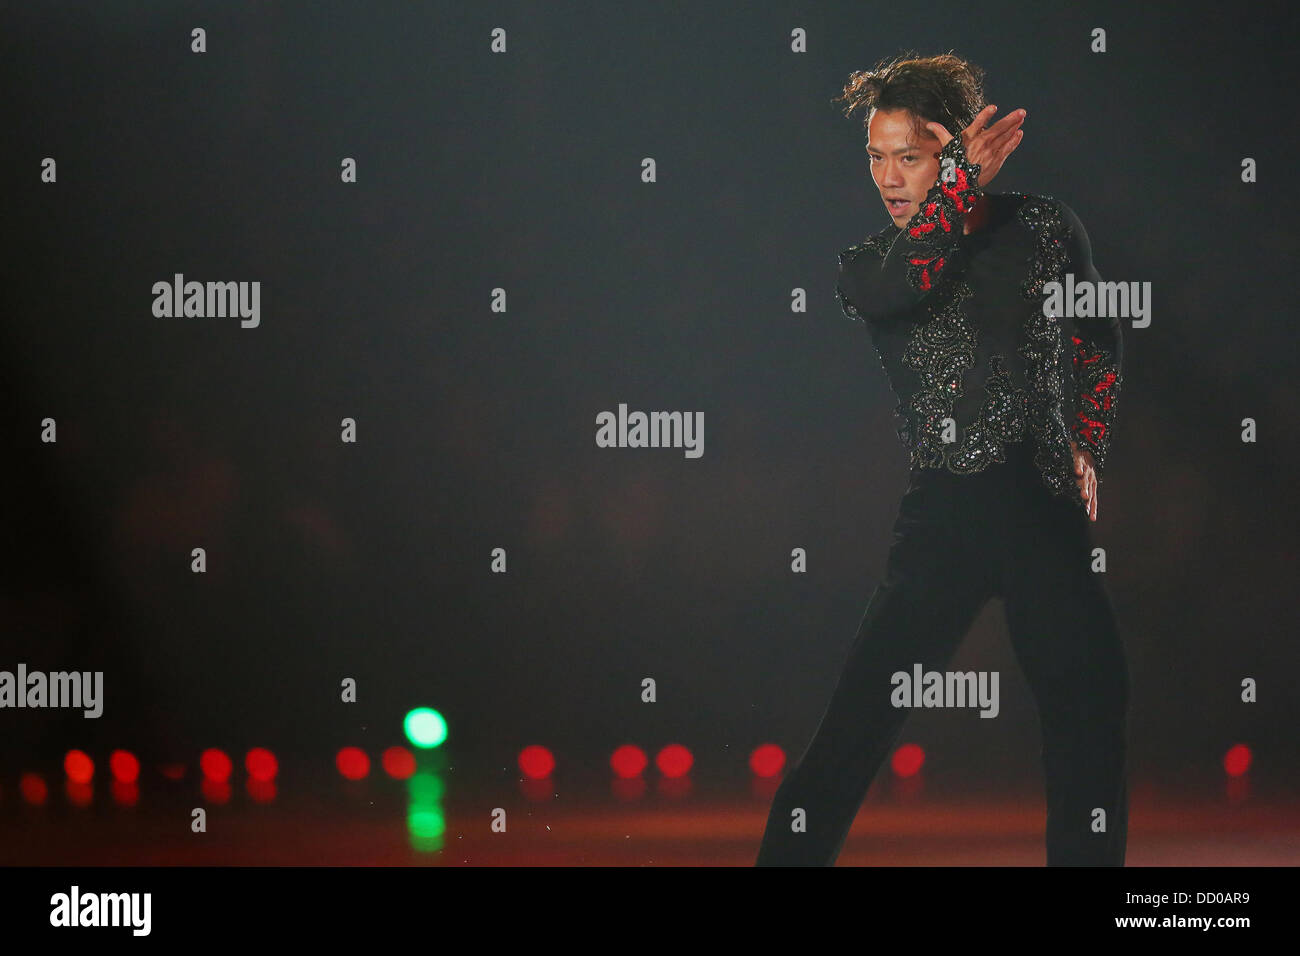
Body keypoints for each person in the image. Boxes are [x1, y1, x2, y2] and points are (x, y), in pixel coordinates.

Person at [755, 53, 1127, 866]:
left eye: (910, 156)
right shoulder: (870, 265)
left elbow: (1099, 335)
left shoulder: (1042, 227)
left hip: (1042, 509)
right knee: (855, 727)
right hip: (944, 523)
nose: (889, 178)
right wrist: (952, 182)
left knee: (1090, 717)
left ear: (956, 147)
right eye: (876, 158)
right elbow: (908, 286)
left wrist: (1085, 436)